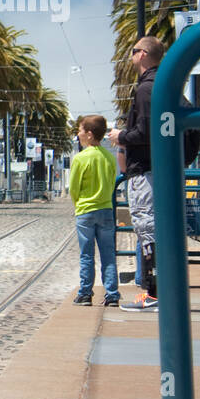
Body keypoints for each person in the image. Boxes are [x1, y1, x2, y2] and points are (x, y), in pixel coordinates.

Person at [106, 35, 163, 310]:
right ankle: (158, 291)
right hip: (158, 169)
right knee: (153, 229)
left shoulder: (145, 89)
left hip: (145, 172)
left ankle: (152, 294)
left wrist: (121, 135)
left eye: (132, 51)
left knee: (147, 229)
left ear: (142, 55)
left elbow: (146, 131)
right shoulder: (163, 83)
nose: (130, 55)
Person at [69, 115, 119, 306]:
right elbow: (112, 182)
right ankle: (112, 294)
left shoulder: (81, 158)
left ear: (89, 134)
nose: (78, 133)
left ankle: (85, 293)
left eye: (81, 130)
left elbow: (74, 187)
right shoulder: (108, 157)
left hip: (86, 211)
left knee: (87, 254)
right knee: (108, 254)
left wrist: (78, 204)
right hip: (106, 209)